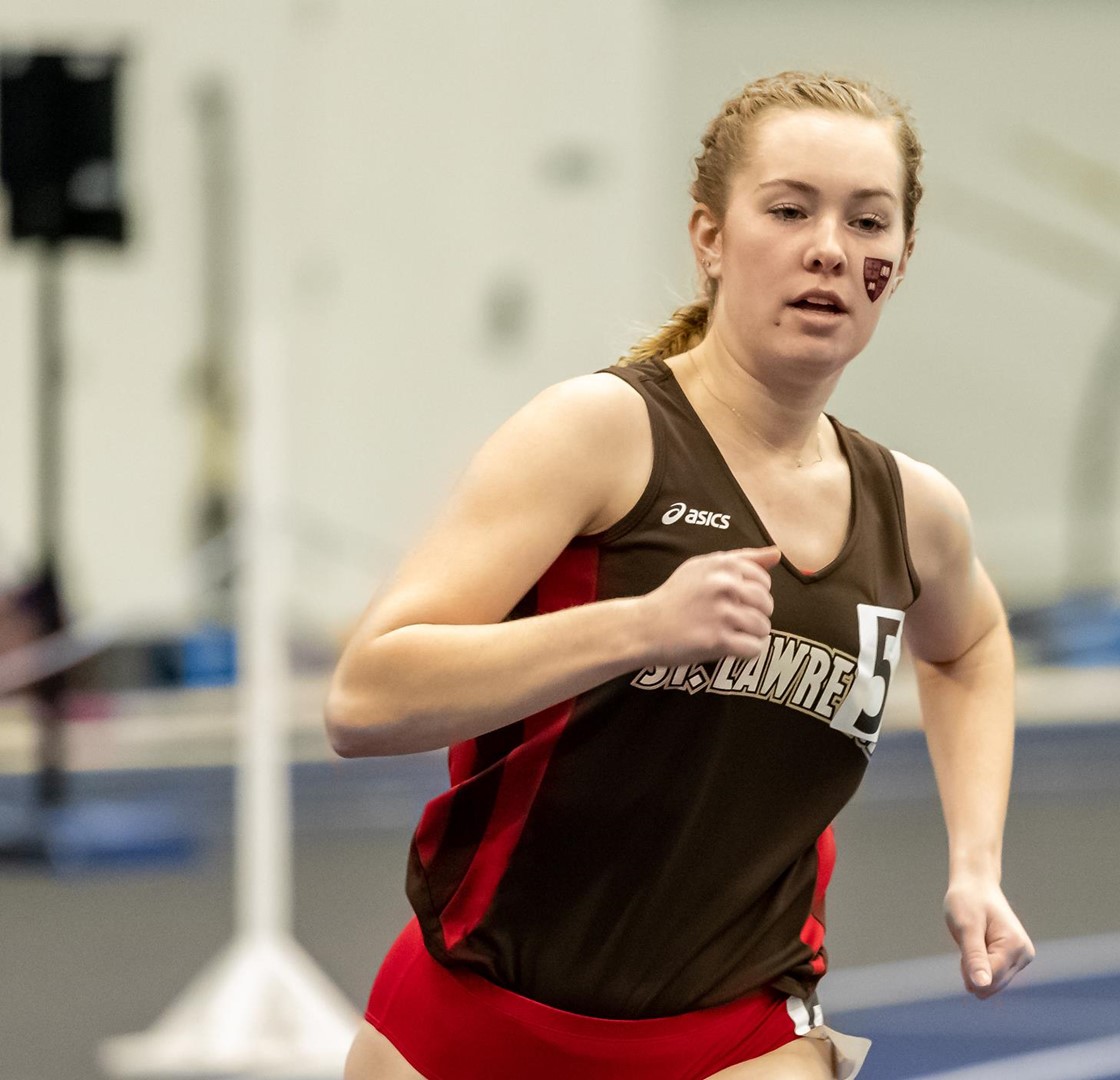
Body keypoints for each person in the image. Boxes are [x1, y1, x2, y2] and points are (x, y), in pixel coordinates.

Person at [326, 71, 1033, 1080]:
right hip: (480, 1018)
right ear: (709, 238)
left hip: (735, 1031)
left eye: (867, 222)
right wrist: (639, 629)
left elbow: (968, 646)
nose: (830, 247)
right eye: (789, 210)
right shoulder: (601, 435)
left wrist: (976, 867)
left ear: (900, 262)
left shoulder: (913, 511)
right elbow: (365, 700)